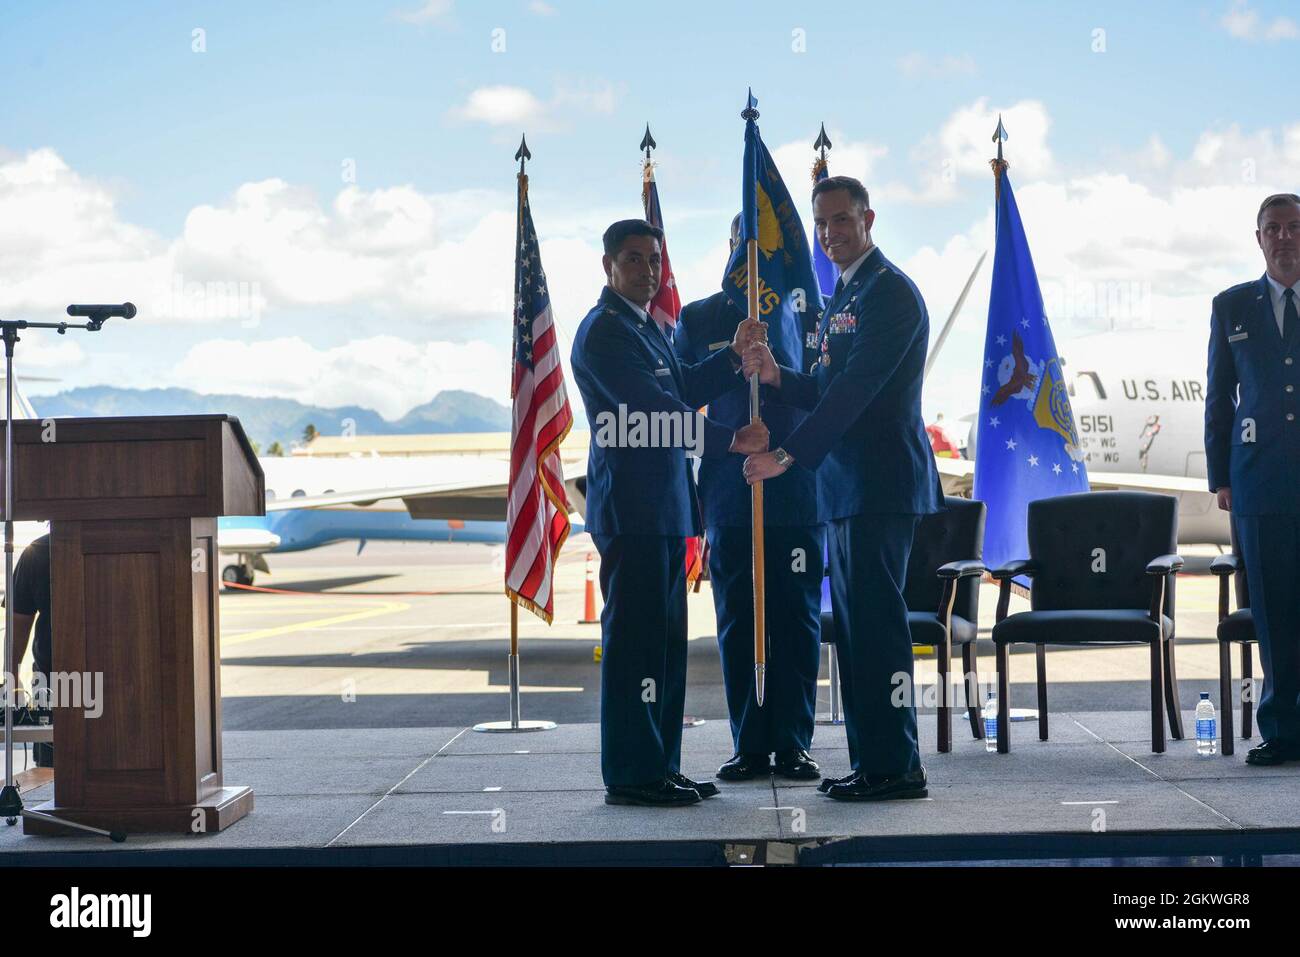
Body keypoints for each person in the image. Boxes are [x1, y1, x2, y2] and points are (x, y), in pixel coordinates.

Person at [741, 176, 942, 801]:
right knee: (856, 634)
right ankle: (872, 760)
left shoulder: (891, 294)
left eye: (841, 221)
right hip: (847, 488)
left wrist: (787, 454)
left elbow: (856, 394)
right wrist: (778, 378)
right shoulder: (846, 293)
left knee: (878, 630)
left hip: (879, 485)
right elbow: (830, 385)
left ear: (868, 218)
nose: (830, 234)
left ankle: (896, 766)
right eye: (821, 223)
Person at [570, 219, 768, 806]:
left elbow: (680, 382)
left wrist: (733, 357)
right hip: (632, 512)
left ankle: (661, 765)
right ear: (608, 265)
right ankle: (633, 774)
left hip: (661, 509)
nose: (648, 270)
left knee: (664, 645)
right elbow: (655, 410)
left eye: (654, 259)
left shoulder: (646, 328)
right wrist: (734, 440)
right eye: (634, 259)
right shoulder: (605, 332)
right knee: (636, 647)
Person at [673, 214, 825, 783]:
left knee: (796, 619)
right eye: (745, 241)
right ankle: (749, 745)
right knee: (738, 619)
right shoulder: (700, 317)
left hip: (796, 489)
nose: (753, 253)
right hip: (732, 492)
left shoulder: (811, 312)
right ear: (731, 244)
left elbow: (825, 396)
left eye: (766, 244)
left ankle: (793, 744)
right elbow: (681, 398)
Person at [1205, 192, 1300, 766]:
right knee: (1272, 607)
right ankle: (1282, 731)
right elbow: (1219, 398)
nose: (1285, 238)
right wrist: (1222, 477)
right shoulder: (1231, 306)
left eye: (1294, 227)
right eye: (1274, 229)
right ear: (1258, 238)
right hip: (1258, 483)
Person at [6, 533, 53, 767]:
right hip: (54, 683)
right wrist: (12, 683)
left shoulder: (37, 551)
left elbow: (17, 626)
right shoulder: (37, 552)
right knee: (51, 769)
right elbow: (17, 626)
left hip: (62, 682)